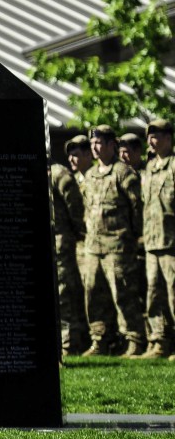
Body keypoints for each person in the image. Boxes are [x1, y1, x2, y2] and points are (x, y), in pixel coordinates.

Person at [80, 125, 145, 357]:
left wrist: (133, 235)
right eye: (93, 144)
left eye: (99, 143)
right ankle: (100, 340)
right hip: (93, 246)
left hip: (118, 246)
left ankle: (134, 340)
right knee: (93, 294)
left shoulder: (123, 173)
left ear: (111, 145)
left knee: (123, 294)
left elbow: (137, 208)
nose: (95, 148)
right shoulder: (90, 175)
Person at [142, 119, 175, 358]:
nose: (152, 140)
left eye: (156, 135)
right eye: (149, 136)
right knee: (153, 293)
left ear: (168, 138)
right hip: (153, 242)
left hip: (172, 242)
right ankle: (158, 341)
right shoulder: (150, 168)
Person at [50, 157, 89, 357]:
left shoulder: (58, 173)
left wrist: (77, 231)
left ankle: (69, 342)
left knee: (65, 292)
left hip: (61, 242)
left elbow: (75, 206)